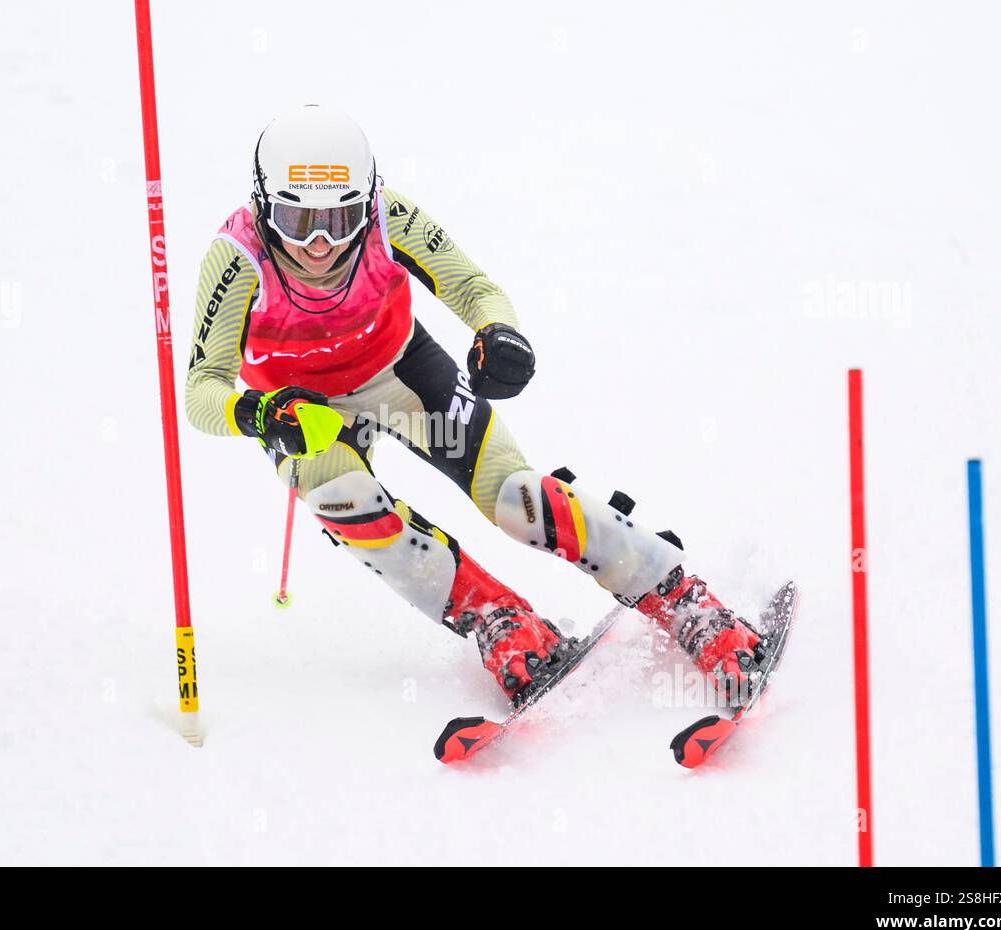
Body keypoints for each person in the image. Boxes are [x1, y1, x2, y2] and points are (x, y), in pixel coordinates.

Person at [184, 104, 766, 706]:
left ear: (368, 200)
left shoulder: (388, 218)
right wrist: (257, 414)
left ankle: (680, 597)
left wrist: (497, 333)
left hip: (398, 372)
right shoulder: (238, 257)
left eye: (339, 216)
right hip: (305, 415)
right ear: (261, 204)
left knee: (515, 497)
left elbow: (473, 287)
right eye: (296, 220)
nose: (320, 243)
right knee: (345, 502)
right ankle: (497, 621)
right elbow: (202, 390)